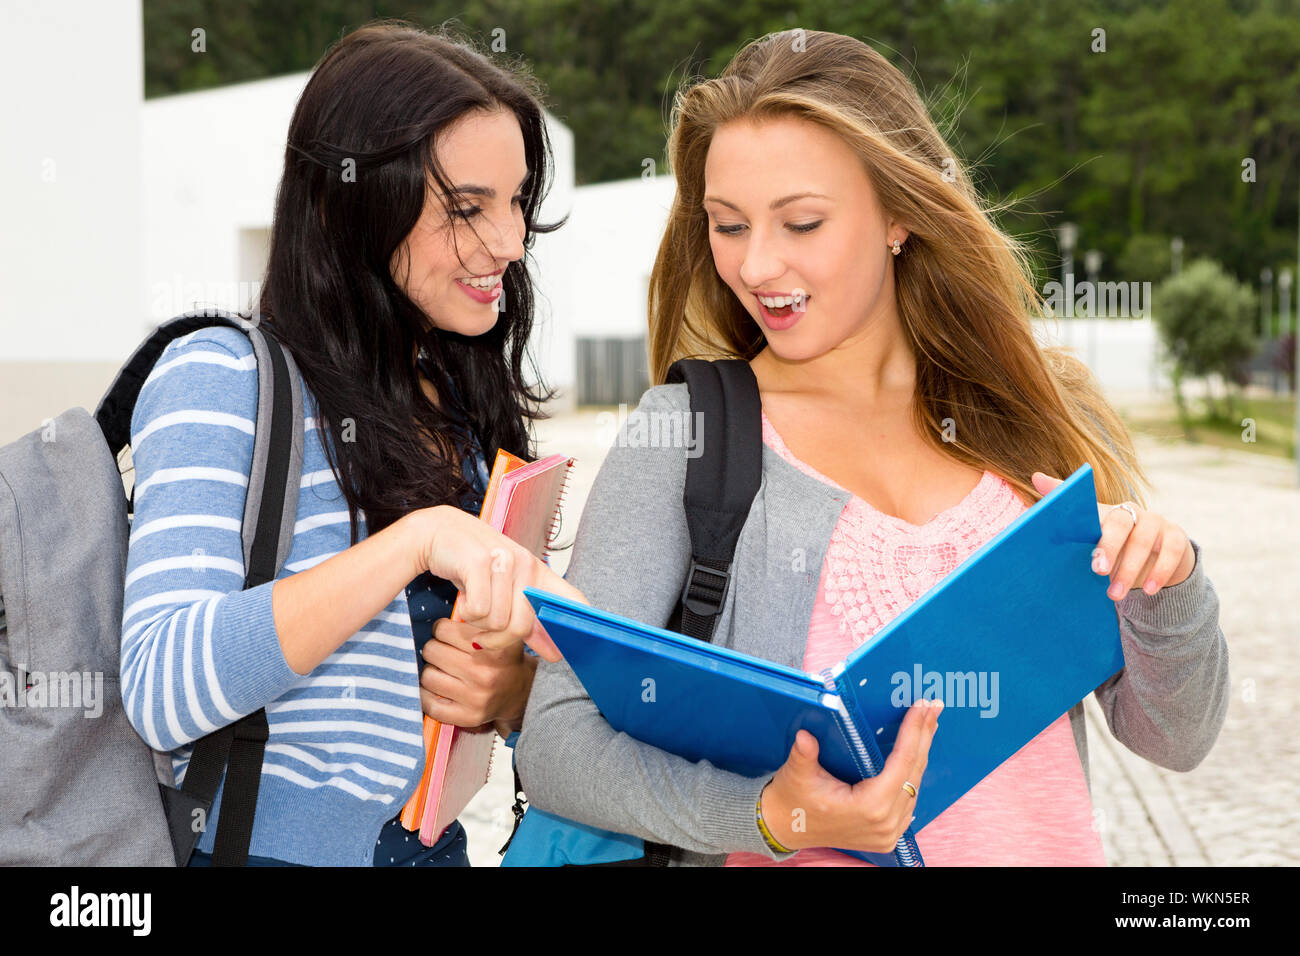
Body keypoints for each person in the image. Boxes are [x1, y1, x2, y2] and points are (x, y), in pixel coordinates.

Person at [514, 28, 1229, 866]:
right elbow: (558, 745)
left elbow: (1175, 738)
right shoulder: (683, 435)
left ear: (899, 214)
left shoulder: (1034, 415)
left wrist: (1171, 584)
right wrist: (769, 817)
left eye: (802, 222)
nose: (757, 264)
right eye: (729, 224)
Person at [120, 21, 583, 867]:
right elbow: (161, 686)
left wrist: (510, 693)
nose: (510, 244)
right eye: (465, 208)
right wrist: (413, 543)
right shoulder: (224, 378)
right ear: (348, 203)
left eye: (516, 200)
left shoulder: (457, 400)